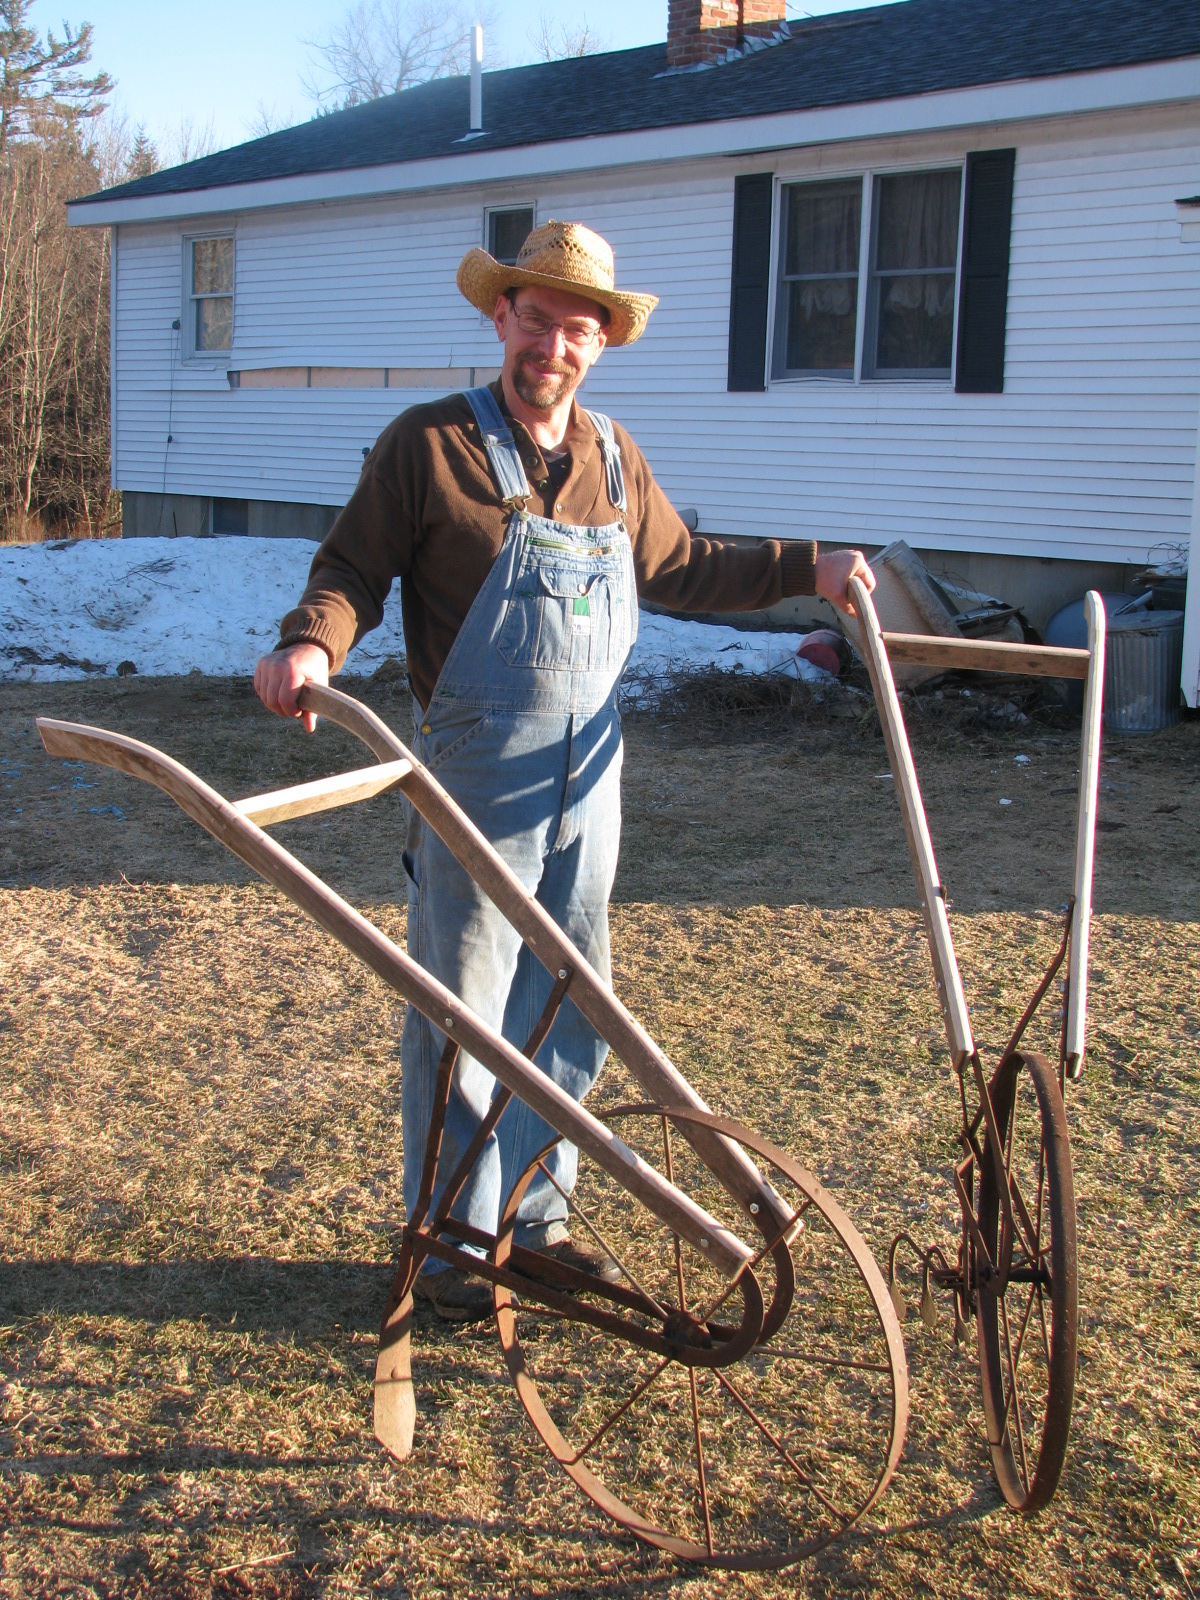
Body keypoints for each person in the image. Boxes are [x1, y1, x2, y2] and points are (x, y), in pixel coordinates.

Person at [255, 220, 874, 1320]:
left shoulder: (613, 459)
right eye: (535, 319)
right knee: (465, 1008)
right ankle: (452, 1239)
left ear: (600, 344)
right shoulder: (429, 446)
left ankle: (536, 1223)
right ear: (502, 319)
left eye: (577, 328)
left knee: (568, 998)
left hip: (591, 777)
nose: (554, 344)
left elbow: (683, 565)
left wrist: (808, 568)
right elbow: (352, 567)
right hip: (474, 779)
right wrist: (313, 641)